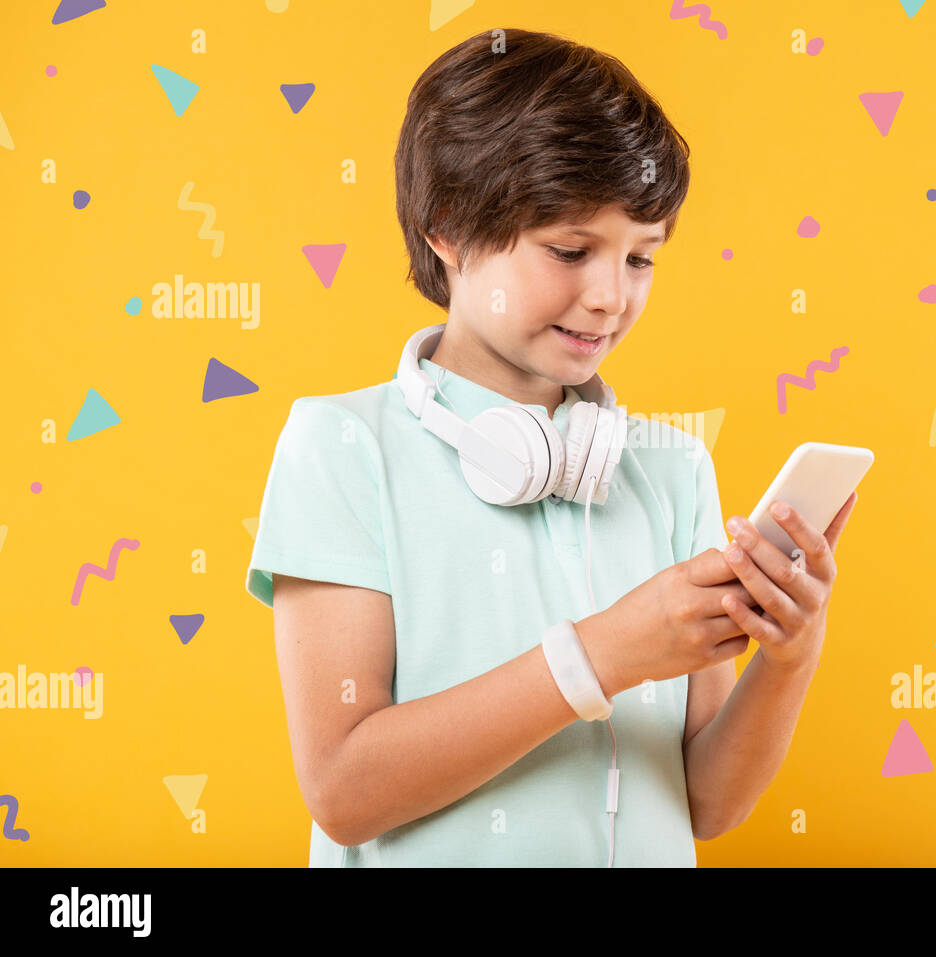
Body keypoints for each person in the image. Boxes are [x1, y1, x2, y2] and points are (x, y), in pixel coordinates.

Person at [244, 27, 856, 867]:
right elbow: (345, 789)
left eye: (641, 257)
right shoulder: (345, 446)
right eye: (570, 250)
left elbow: (708, 802)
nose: (609, 297)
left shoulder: (671, 470)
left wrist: (790, 654)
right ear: (449, 229)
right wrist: (602, 654)